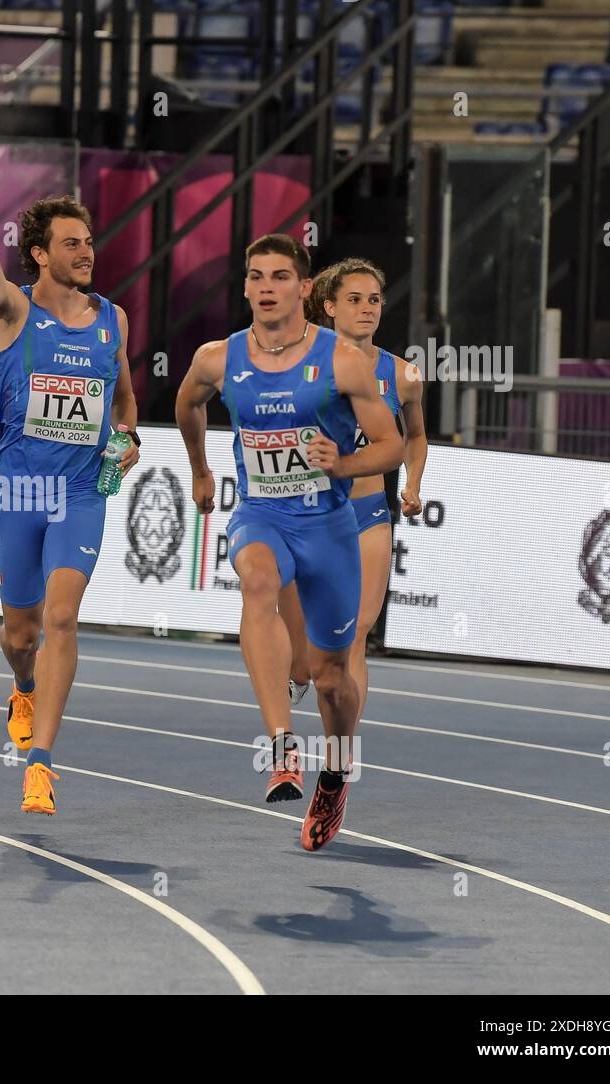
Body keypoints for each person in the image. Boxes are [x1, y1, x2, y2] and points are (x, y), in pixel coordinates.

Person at [0, 130, 139, 815]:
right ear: (42, 253)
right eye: (73, 243)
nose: (88, 252)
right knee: (21, 633)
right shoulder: (12, 311)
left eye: (89, 241)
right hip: (23, 488)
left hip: (81, 492)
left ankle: (41, 764)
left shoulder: (114, 321)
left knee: (62, 617)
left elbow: (126, 397)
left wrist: (128, 436)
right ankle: (22, 685)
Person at [174, 234, 402, 851]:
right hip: (261, 514)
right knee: (257, 580)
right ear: (245, 287)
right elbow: (187, 403)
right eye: (255, 277)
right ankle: (281, 745)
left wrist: (345, 462)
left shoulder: (342, 362)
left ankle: (335, 772)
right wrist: (200, 468)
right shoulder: (218, 358)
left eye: (279, 276)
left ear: (305, 289)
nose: (266, 287)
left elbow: (392, 445)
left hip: (328, 528)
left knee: (332, 679)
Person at [279, 259, 428, 720]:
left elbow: (416, 436)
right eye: (355, 300)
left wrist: (413, 483)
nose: (367, 309)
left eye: (375, 300)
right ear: (329, 306)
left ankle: (340, 763)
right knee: (305, 649)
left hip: (366, 513)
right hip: (308, 513)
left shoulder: (403, 375)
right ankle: (299, 672)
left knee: (356, 633)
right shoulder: (301, 362)